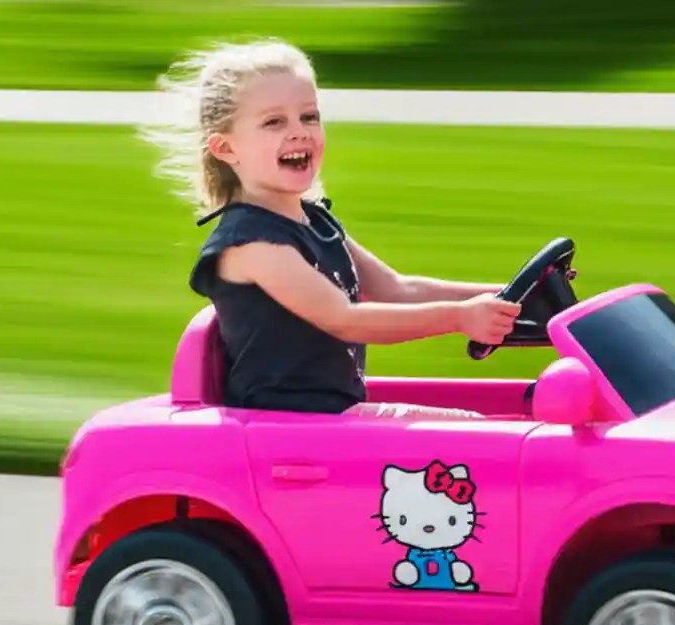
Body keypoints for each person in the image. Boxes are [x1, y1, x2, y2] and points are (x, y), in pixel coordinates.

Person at [138, 39, 520, 419]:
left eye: (309, 117)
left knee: (488, 429)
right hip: (290, 430)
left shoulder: (313, 219)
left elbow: (396, 288)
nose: (299, 132)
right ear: (225, 148)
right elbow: (344, 319)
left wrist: (511, 296)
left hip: (332, 418)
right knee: (470, 448)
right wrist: (459, 318)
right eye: (274, 122)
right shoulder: (251, 244)